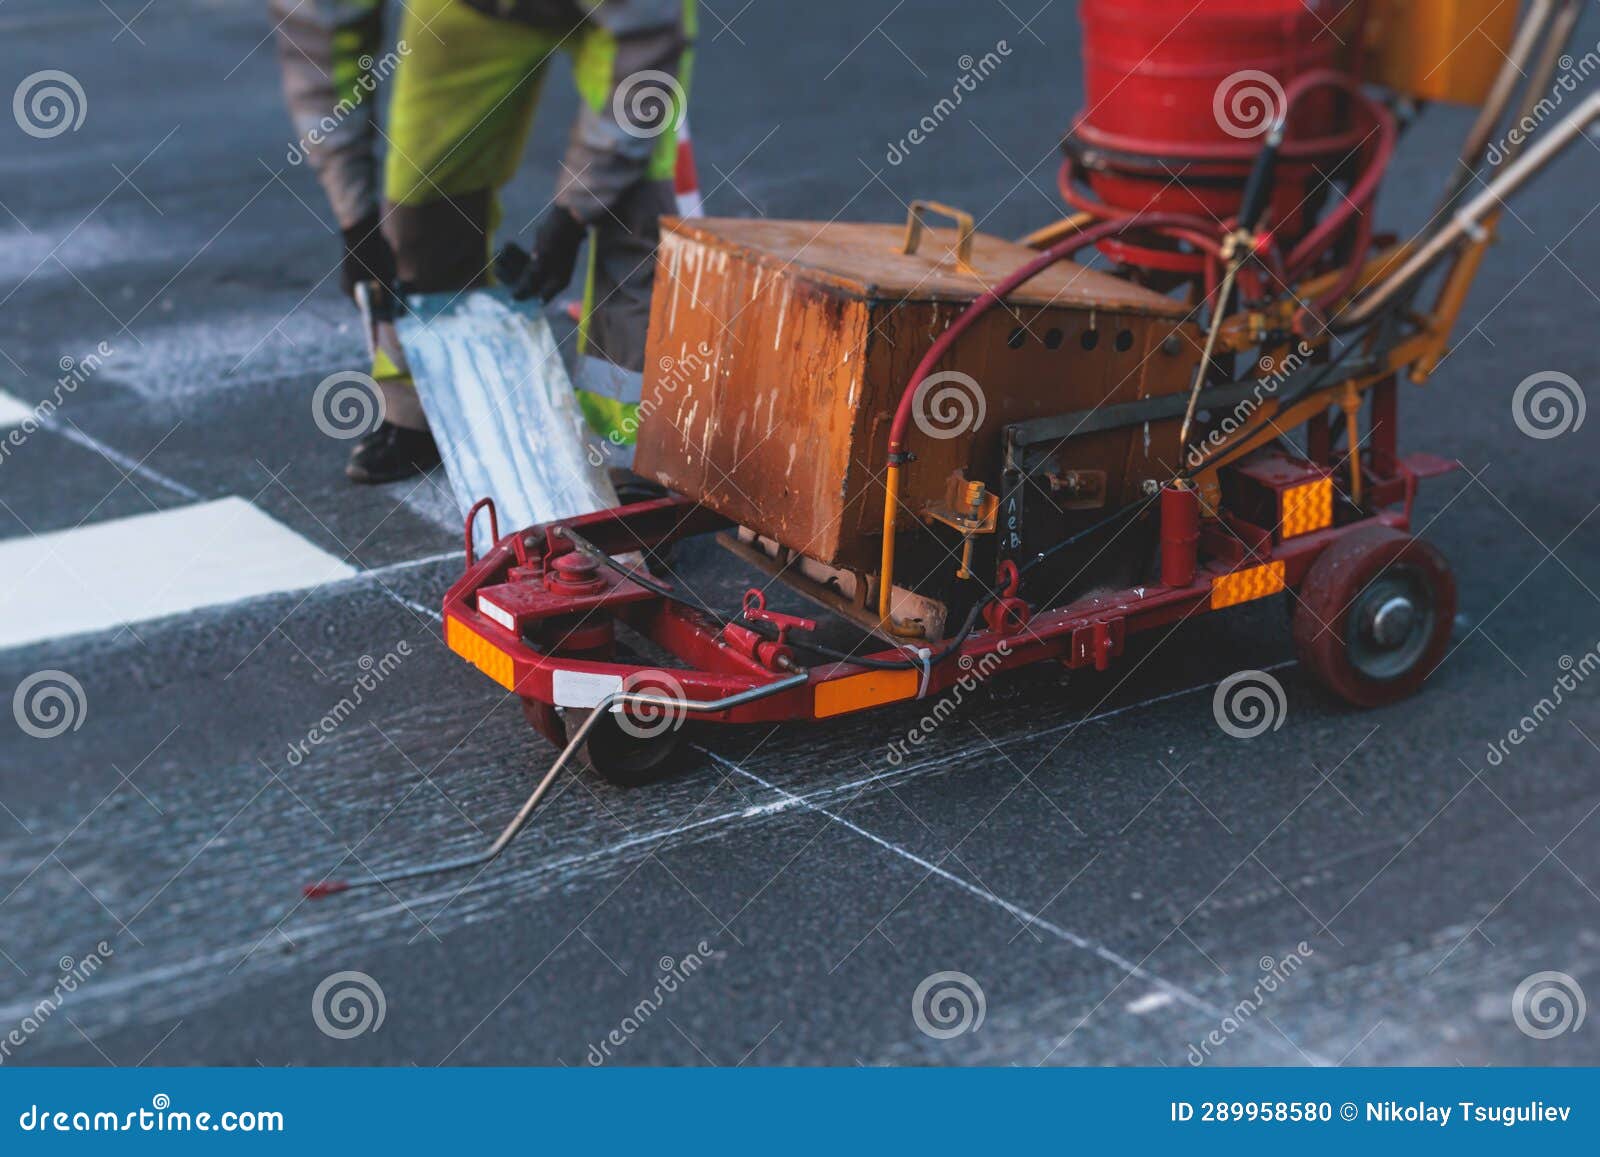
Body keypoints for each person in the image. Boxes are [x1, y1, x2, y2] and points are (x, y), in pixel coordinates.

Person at [270, 0, 441, 483]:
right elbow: (319, 53)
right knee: (422, 199)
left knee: (639, 189)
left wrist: (576, 210)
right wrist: (358, 220)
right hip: (473, 16)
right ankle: (416, 411)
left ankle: (633, 450)